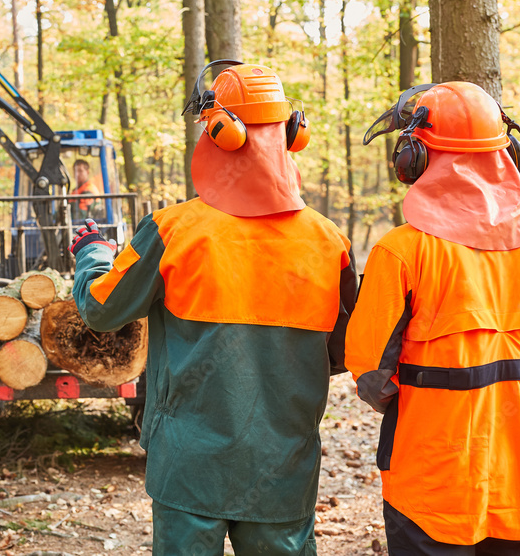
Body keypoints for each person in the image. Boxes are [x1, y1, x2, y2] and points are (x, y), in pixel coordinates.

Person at [68, 62, 357, 555]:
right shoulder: (330, 242)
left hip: (187, 466)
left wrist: (92, 253)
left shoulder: (171, 230)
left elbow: (100, 309)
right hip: (283, 467)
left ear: (221, 133)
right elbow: (345, 352)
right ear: (291, 132)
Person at [346, 82, 520, 555]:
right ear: (508, 153)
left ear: (413, 158)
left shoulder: (401, 252)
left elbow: (371, 375)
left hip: (430, 488)